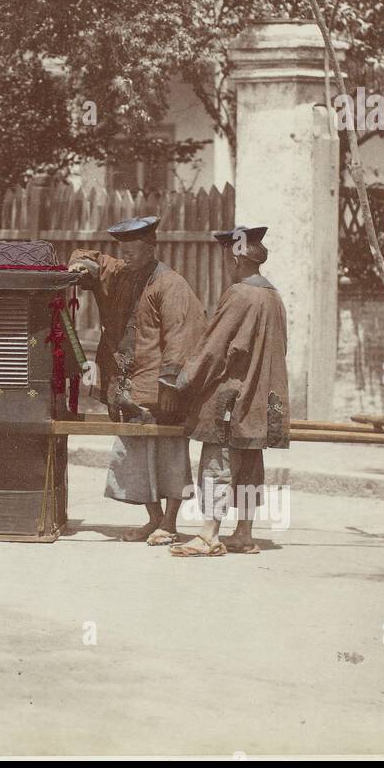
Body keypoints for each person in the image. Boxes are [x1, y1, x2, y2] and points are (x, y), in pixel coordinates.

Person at [68, 215, 207, 544]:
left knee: (170, 455)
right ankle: (154, 519)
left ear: (151, 247)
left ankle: (170, 524)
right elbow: (88, 258)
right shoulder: (119, 275)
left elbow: (183, 336)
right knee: (135, 455)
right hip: (125, 387)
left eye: (134, 250)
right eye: (123, 250)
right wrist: (80, 267)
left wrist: (172, 384)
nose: (127, 256)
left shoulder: (171, 285)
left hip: (158, 388)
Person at [168, 225, 289, 557]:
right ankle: (244, 534)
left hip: (231, 395)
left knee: (217, 460)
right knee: (250, 459)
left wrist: (184, 383)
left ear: (236, 260)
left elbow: (213, 349)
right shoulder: (273, 297)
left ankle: (209, 534)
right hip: (261, 397)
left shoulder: (238, 294)